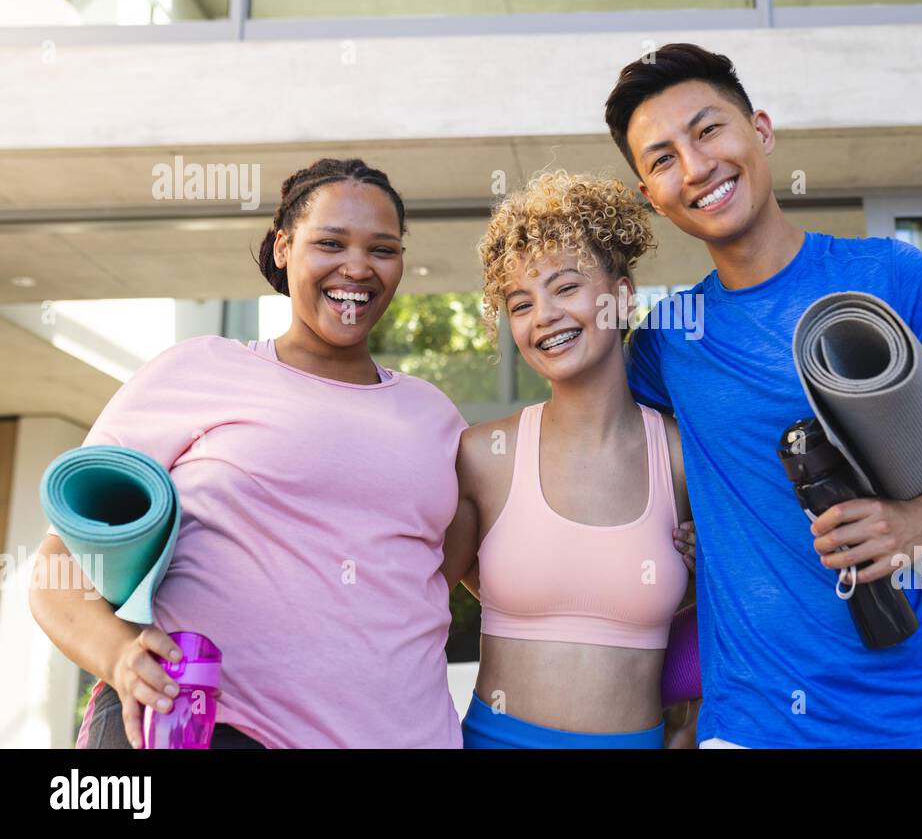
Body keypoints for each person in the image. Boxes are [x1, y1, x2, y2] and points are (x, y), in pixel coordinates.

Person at [603, 44, 922, 748]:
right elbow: (598, 442)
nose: (695, 168)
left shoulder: (888, 275)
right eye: (662, 159)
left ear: (760, 130)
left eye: (707, 131)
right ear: (650, 197)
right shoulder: (669, 340)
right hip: (755, 726)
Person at [29, 158, 466, 748]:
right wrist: (117, 654)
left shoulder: (435, 416)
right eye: (330, 243)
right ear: (284, 247)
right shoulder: (199, 370)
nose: (357, 268)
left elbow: (465, 576)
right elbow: (58, 565)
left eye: (382, 249)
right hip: (217, 732)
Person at [441, 169, 698, 749]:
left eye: (565, 287)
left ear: (623, 295)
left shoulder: (682, 459)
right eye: (521, 303)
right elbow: (411, 610)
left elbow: (746, 592)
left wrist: (706, 572)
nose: (545, 316)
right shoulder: (483, 456)